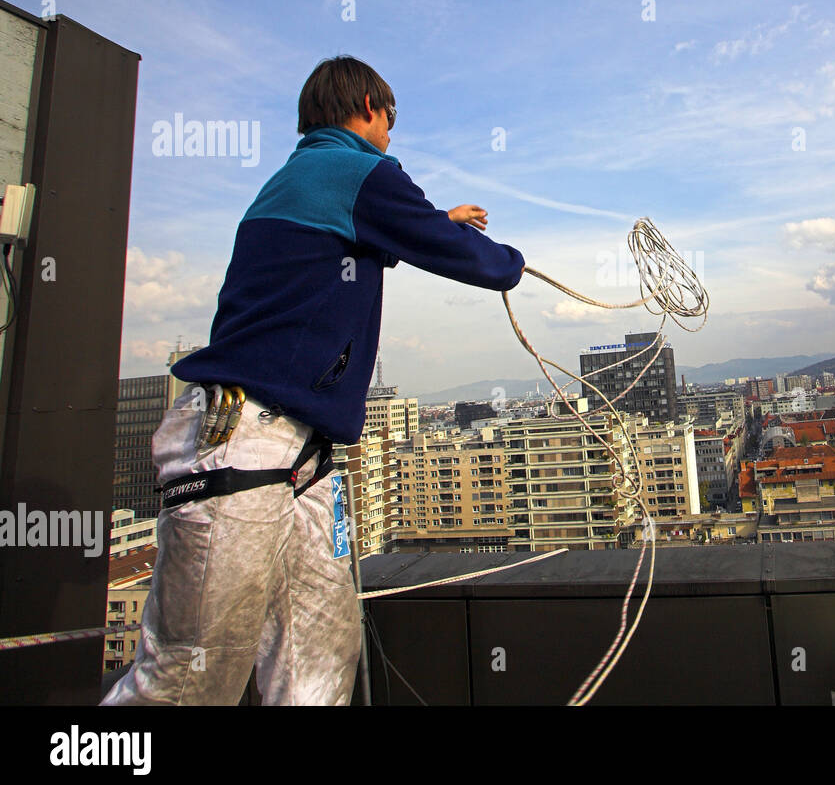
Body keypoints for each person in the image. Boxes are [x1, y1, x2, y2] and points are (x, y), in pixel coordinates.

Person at [103, 56, 525, 705]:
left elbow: (361, 235)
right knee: (188, 683)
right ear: (366, 106)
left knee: (321, 663)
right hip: (242, 443)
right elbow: (464, 258)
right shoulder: (359, 169)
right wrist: (507, 263)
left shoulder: (306, 179)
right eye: (392, 118)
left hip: (298, 458)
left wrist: (435, 222)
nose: (393, 134)